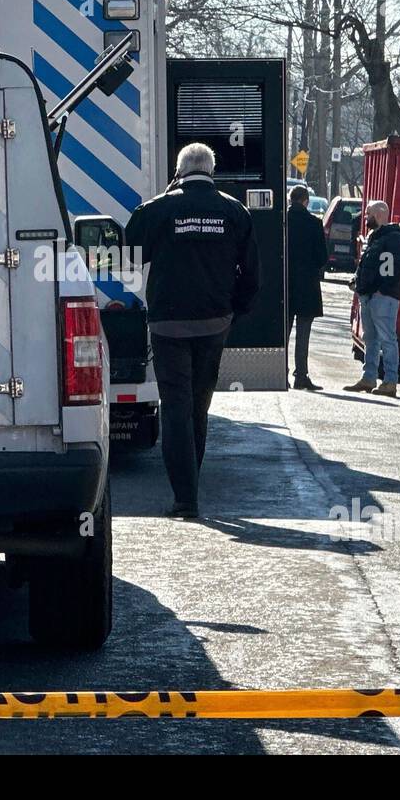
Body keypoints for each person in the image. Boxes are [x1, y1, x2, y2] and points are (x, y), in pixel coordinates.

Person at [125, 142, 260, 519]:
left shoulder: (160, 208)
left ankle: (186, 499)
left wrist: (167, 198)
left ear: (179, 172)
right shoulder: (234, 211)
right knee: (199, 406)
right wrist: (236, 312)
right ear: (211, 171)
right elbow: (252, 273)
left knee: (176, 408)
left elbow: (129, 250)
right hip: (215, 323)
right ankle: (191, 484)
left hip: (168, 325)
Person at [344, 200, 400, 398]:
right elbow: (367, 263)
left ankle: (390, 381)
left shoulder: (393, 238)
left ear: (379, 215)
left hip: (382, 297)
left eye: (368, 213)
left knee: (387, 339)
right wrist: (357, 281)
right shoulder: (376, 236)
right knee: (370, 338)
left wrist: (380, 289)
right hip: (369, 295)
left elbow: (392, 269)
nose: (364, 217)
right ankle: (369, 377)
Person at [286, 185, 327, 389]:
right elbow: (322, 258)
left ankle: (280, 373)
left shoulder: (282, 221)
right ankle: (301, 375)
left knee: (283, 332)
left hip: (285, 285)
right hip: (307, 286)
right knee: (303, 334)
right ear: (306, 201)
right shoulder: (314, 223)